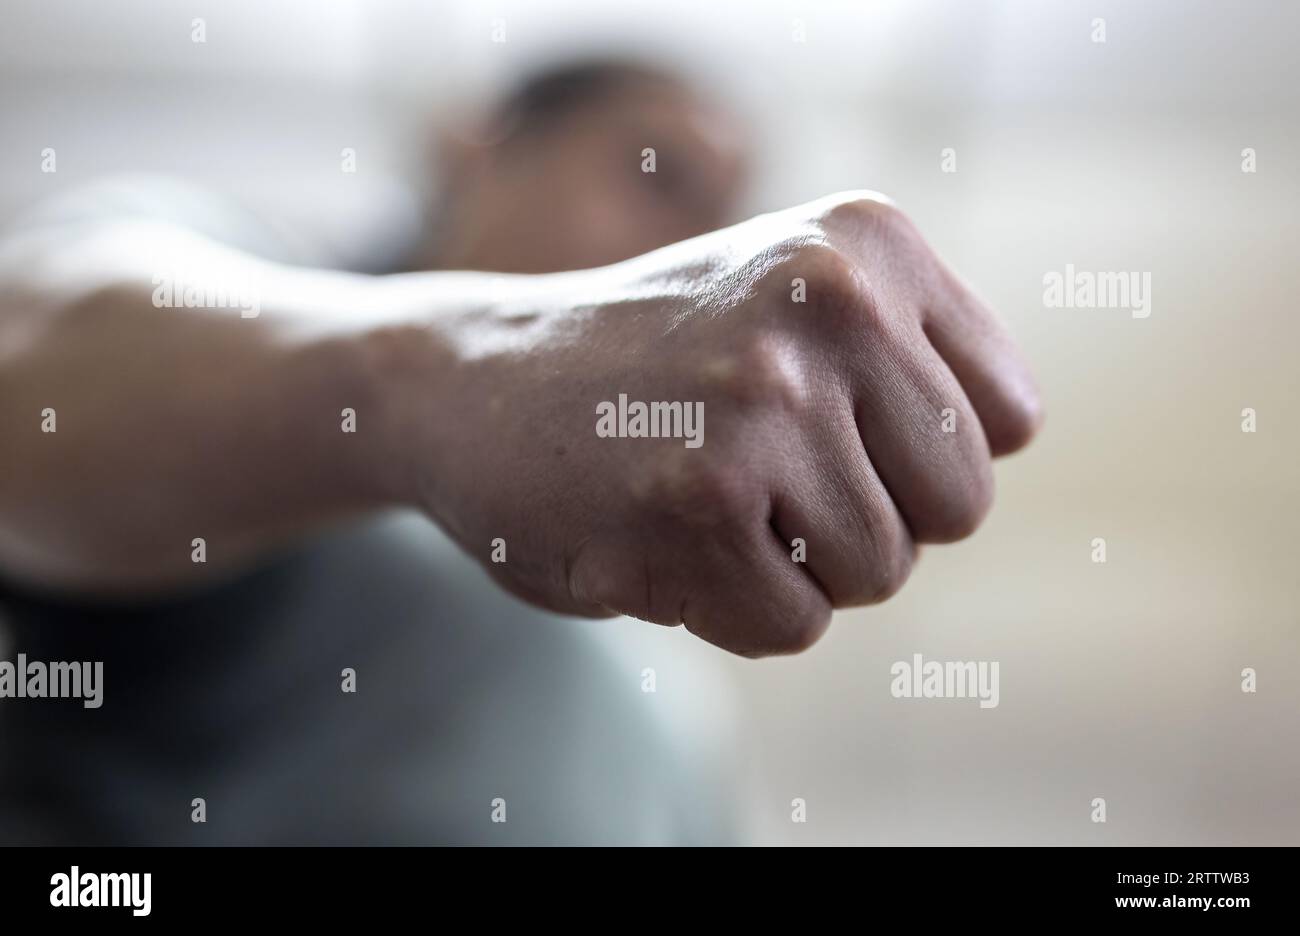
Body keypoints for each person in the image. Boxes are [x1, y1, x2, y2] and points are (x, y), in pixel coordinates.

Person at [0, 59, 1040, 845]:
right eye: (656, 172)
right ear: (476, 150)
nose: (700, 246)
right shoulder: (236, 296)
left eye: (724, 215)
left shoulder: (669, 657)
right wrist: (456, 369)